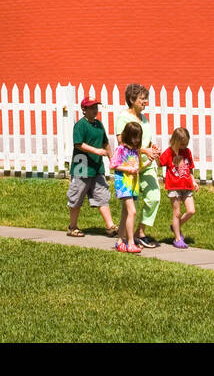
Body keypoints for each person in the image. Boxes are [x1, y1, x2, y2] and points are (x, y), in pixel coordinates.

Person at [113, 82, 161, 248]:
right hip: (129, 167)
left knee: (154, 197)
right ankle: (123, 239)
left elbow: (145, 139)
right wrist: (144, 150)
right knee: (128, 208)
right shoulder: (123, 118)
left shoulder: (144, 118)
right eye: (142, 98)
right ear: (132, 99)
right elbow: (122, 142)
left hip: (145, 165)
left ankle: (140, 232)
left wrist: (152, 148)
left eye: (146, 98)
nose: (145, 101)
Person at [67, 95, 118, 237]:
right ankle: (72, 227)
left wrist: (111, 157)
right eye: (92, 107)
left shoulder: (99, 124)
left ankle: (110, 226)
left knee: (102, 195)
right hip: (81, 165)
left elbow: (105, 142)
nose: (95, 110)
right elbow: (78, 144)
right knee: (76, 196)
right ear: (84, 109)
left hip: (96, 166)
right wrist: (96, 151)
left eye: (96, 107)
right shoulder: (80, 125)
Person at [159, 126, 198, 248]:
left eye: (186, 144)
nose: (184, 147)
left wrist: (194, 181)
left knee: (191, 210)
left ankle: (175, 226)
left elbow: (190, 169)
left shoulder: (187, 152)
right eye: (182, 145)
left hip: (186, 186)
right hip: (174, 186)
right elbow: (160, 162)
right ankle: (177, 238)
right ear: (175, 142)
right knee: (177, 212)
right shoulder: (169, 152)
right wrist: (156, 155)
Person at [111, 121, 145, 253]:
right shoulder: (121, 149)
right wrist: (128, 169)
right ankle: (130, 242)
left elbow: (138, 167)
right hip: (123, 183)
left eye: (138, 137)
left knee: (125, 213)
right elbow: (113, 165)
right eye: (134, 137)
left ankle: (120, 241)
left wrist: (149, 161)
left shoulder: (134, 151)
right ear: (127, 135)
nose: (136, 140)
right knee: (132, 211)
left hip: (133, 184)